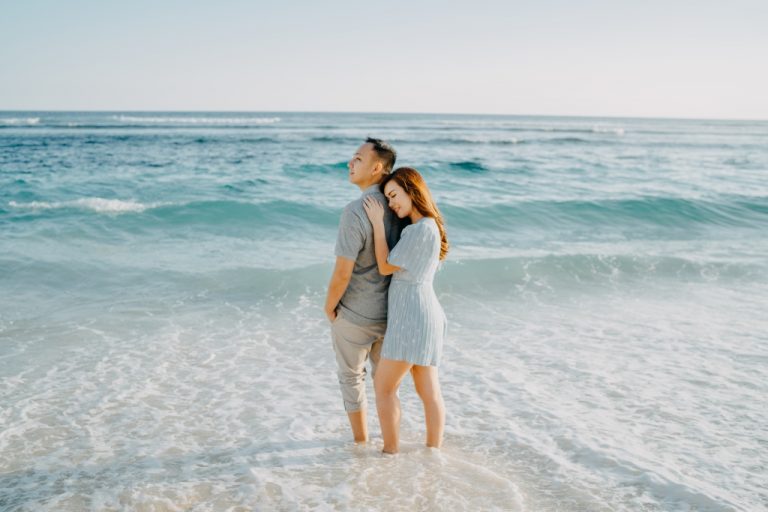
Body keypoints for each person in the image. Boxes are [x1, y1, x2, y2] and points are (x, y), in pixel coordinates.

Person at [362, 166, 449, 454]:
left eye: (394, 195)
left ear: (412, 190)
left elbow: (386, 266)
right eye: (387, 198)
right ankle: (433, 452)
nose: (390, 204)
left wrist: (376, 223)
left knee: (384, 387)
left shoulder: (419, 229)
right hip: (424, 313)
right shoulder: (430, 227)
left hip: (412, 317)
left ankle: (390, 452)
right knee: (428, 391)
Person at [325, 138, 401, 443]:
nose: (349, 163)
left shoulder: (356, 211)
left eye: (357, 158)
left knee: (351, 378)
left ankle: (359, 444)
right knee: (388, 387)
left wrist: (329, 306)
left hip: (356, 314)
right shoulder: (401, 205)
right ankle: (391, 445)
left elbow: (343, 271)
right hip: (393, 313)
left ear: (377, 167)